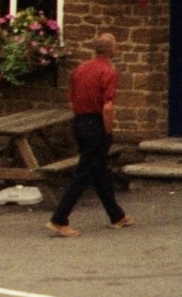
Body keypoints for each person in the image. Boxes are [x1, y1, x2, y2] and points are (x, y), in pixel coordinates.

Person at [46, 32, 132, 237]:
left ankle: (116, 215)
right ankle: (59, 218)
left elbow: (71, 100)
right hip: (96, 124)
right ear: (113, 49)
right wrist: (108, 131)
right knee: (84, 173)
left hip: (79, 122)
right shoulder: (108, 72)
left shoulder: (80, 69)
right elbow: (108, 107)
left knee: (99, 169)